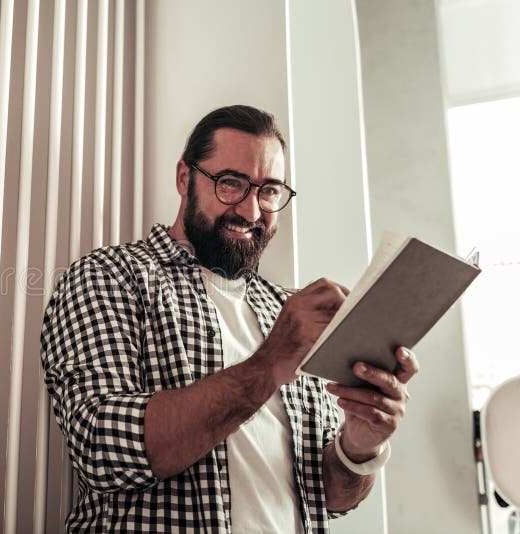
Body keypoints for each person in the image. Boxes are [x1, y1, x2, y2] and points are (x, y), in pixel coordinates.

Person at [41, 105, 418, 533]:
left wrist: (361, 445)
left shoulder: (289, 311)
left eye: (269, 190)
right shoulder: (110, 277)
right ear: (185, 178)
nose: (252, 211)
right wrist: (269, 363)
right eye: (231, 183)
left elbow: (330, 498)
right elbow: (102, 453)